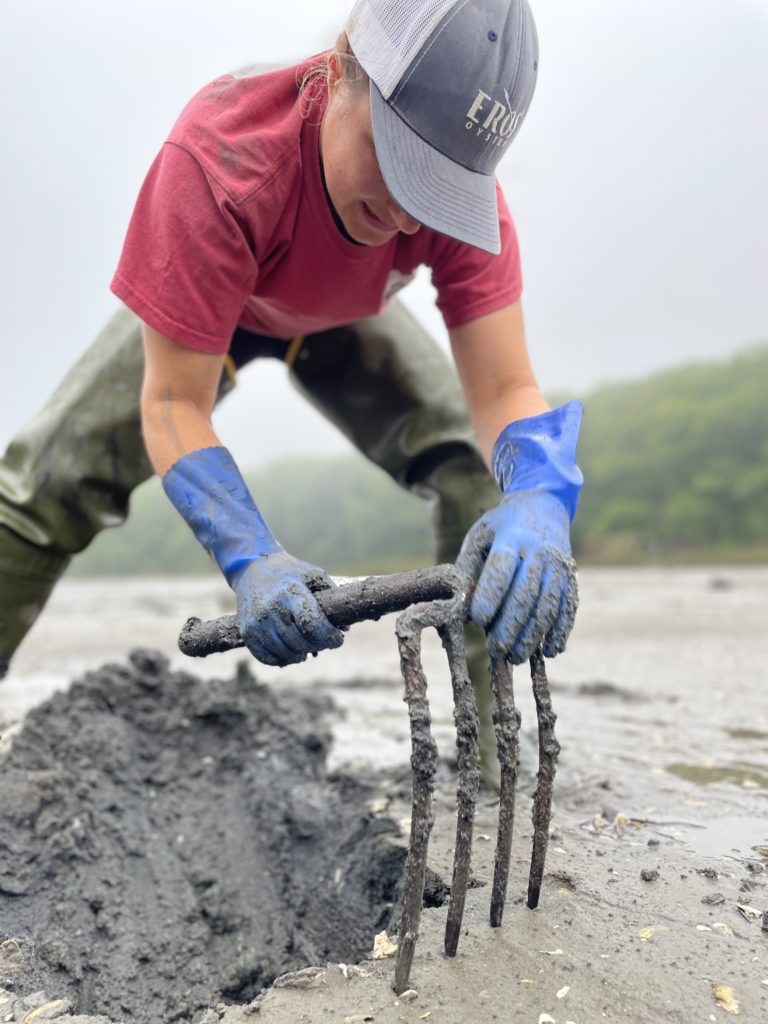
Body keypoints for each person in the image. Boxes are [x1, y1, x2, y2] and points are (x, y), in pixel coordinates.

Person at [0, 0, 583, 788]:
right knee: (44, 486)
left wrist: (542, 494)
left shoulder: (460, 205)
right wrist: (250, 557)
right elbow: (173, 405)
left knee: (475, 474)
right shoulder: (220, 159)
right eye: (398, 160)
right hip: (216, 310)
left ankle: (488, 759)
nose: (405, 212)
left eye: (437, 189)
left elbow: (506, 386)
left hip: (342, 316)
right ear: (340, 68)